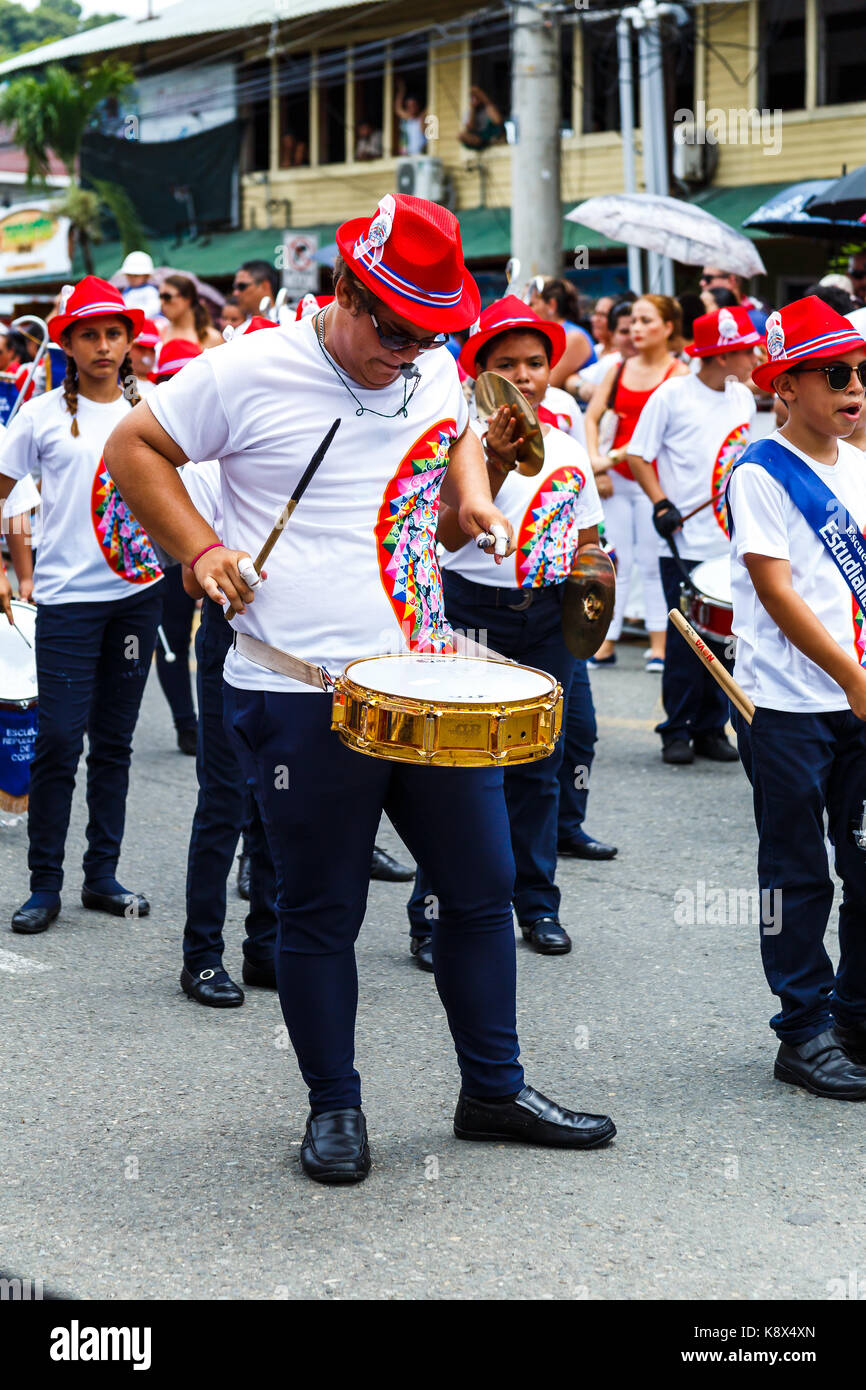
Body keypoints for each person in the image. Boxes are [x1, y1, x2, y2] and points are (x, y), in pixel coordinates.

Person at [104, 194, 616, 1183]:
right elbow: (135, 448)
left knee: (480, 889)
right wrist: (201, 547)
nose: (407, 353)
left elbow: (450, 436)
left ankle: (492, 1088)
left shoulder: (426, 367)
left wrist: (473, 493)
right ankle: (335, 1105)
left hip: (424, 681)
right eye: (390, 330)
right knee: (320, 910)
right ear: (343, 290)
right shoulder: (249, 368)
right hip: (298, 689)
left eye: (429, 335)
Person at [406, 296, 605, 965]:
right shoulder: (458, 439)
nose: (525, 375)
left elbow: (586, 534)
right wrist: (492, 457)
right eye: (508, 364)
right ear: (483, 374)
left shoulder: (570, 444)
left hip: (548, 620)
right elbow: (446, 532)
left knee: (538, 769)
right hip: (471, 616)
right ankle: (432, 916)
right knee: (459, 768)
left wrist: (594, 595)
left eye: (536, 362)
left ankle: (537, 905)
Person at [727, 296, 866, 1100]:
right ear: (784, 386)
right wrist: (850, 677)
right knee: (797, 871)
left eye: (859, 373)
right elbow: (777, 591)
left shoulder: (859, 465)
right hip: (789, 707)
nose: (853, 387)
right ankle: (803, 1028)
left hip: (858, 699)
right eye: (834, 374)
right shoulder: (760, 470)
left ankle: (856, 1014)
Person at [0, 276, 163, 935]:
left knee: (115, 742)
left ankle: (102, 875)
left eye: (113, 334)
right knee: (60, 738)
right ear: (66, 343)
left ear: (129, 342)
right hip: (67, 601)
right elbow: (5, 490)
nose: (103, 346)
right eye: (89, 334)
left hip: (137, 598)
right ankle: (45, 885)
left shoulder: (154, 408)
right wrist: (7, 563)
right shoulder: (38, 414)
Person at [627, 306, 758, 763]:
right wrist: (662, 502)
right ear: (722, 356)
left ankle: (710, 728)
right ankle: (676, 730)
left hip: (729, 542)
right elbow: (638, 455)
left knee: (726, 642)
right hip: (682, 541)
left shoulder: (741, 396)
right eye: (745, 350)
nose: (754, 356)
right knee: (687, 643)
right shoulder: (671, 396)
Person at [178, 455, 279, 1006]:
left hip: (291, 649)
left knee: (276, 801)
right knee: (223, 798)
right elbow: (190, 575)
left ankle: (265, 947)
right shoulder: (202, 471)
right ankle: (202, 957)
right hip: (230, 639)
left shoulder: (282, 450)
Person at [584, 294, 688, 669]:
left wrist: (610, 457)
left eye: (646, 321)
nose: (637, 329)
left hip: (653, 483)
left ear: (668, 327)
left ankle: (660, 645)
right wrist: (597, 461)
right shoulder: (618, 367)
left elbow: (661, 435)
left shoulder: (678, 374)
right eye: (634, 322)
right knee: (616, 562)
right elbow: (592, 416)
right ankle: (605, 643)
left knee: (651, 561)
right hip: (616, 481)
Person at [150, 340, 204, 756]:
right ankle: (186, 724)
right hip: (167, 555)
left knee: (221, 642)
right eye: (171, 379)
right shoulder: (153, 429)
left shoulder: (218, 420)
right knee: (171, 638)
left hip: (220, 551)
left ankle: (220, 721)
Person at [529, 278, 595, 387]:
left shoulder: (574, 337)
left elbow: (546, 384)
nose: (528, 309)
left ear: (551, 305)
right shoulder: (545, 337)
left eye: (532, 304)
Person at [158, 275, 222, 350]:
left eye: (167, 297)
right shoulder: (159, 332)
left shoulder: (212, 337)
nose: (162, 303)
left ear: (188, 298)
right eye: (160, 297)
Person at [699, 267, 769, 333]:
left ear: (732, 280)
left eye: (708, 278)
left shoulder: (758, 320)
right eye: (702, 277)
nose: (702, 283)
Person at [119, 251, 162, 321]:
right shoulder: (126, 292)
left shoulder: (150, 291)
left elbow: (154, 308)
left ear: (146, 276)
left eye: (136, 276)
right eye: (129, 275)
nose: (132, 278)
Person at [129, 318, 160, 395]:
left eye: (152, 348)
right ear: (127, 347)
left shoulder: (161, 385)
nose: (147, 352)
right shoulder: (115, 382)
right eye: (141, 347)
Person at [395, 81, 427, 154]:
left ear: (418, 105)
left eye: (413, 105)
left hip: (421, 155)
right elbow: (398, 109)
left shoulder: (422, 118)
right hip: (409, 155)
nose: (411, 108)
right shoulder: (409, 119)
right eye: (408, 106)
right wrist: (401, 91)